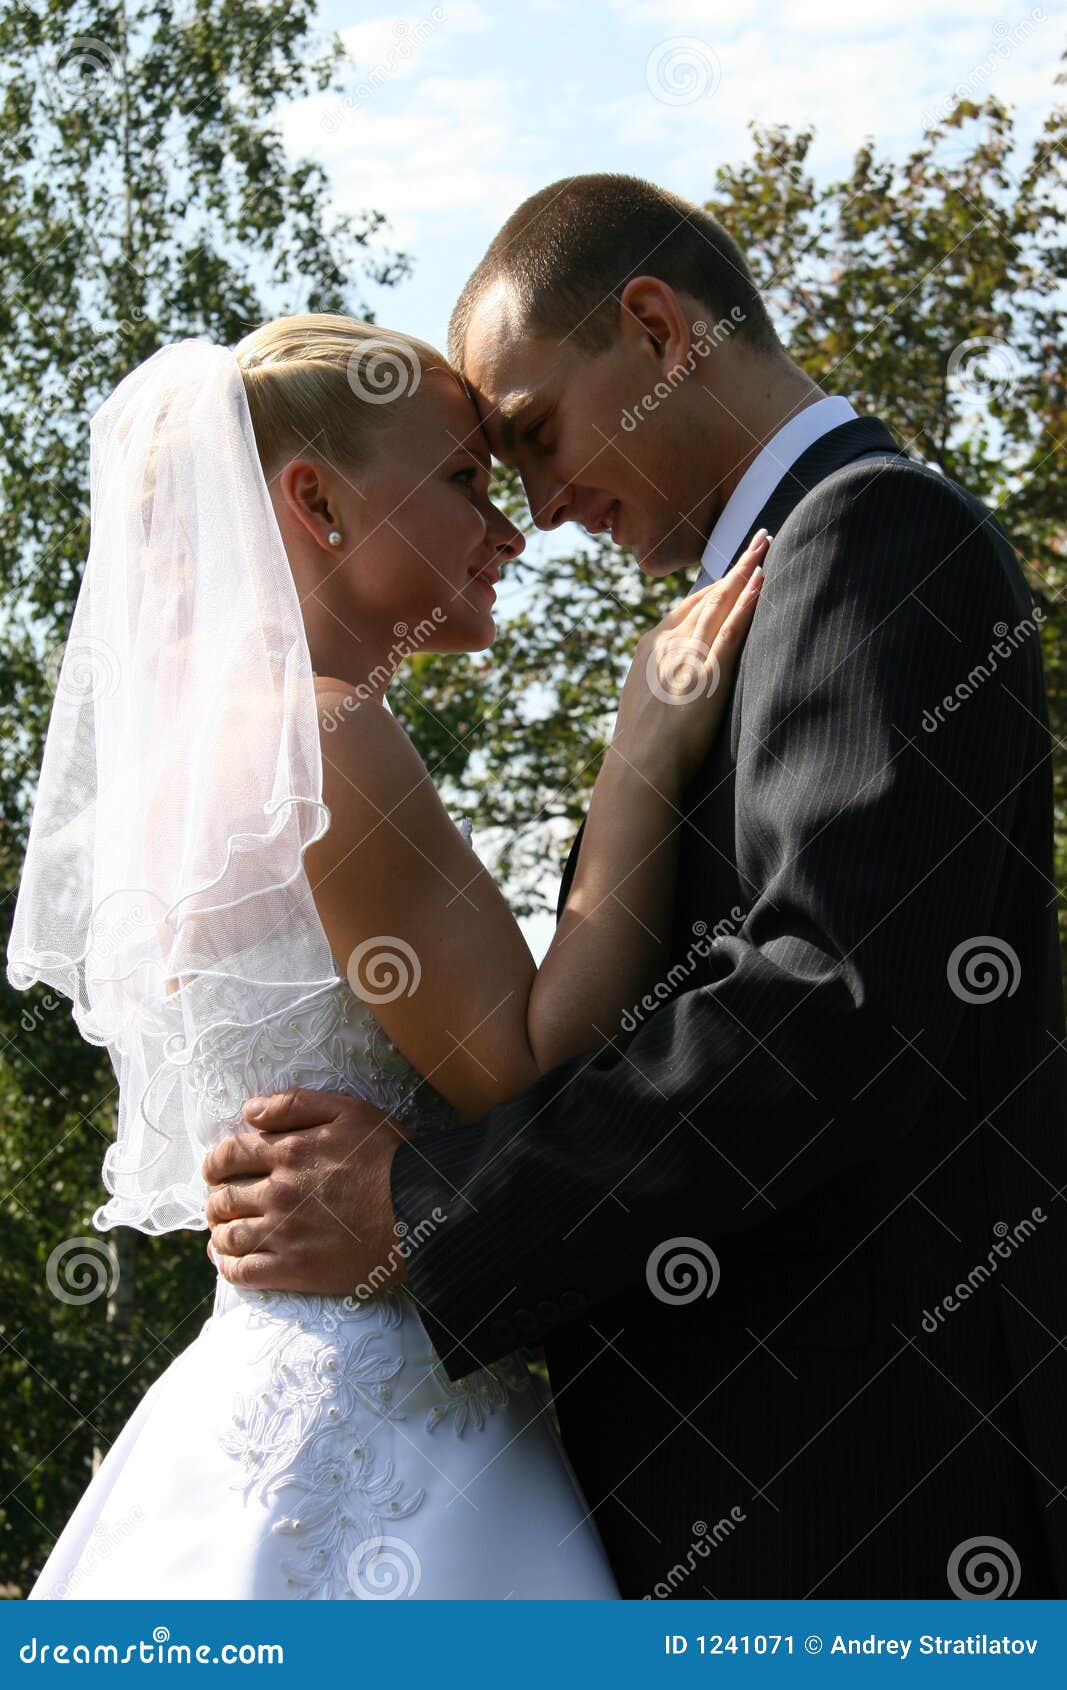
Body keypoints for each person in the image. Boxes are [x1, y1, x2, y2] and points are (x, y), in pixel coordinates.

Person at [203, 176, 1067, 1599]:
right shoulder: (778, 581)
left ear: (657, 330)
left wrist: (427, 1210)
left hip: (853, 1493)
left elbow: (832, 1005)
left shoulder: (872, 540)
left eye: (531, 436)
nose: (534, 511)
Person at [6, 314, 764, 1599]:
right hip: (388, 1421)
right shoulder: (328, 738)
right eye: (464, 479)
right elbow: (529, 1072)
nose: (510, 529)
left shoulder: (187, 771)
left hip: (237, 1406)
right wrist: (646, 746)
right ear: (316, 502)